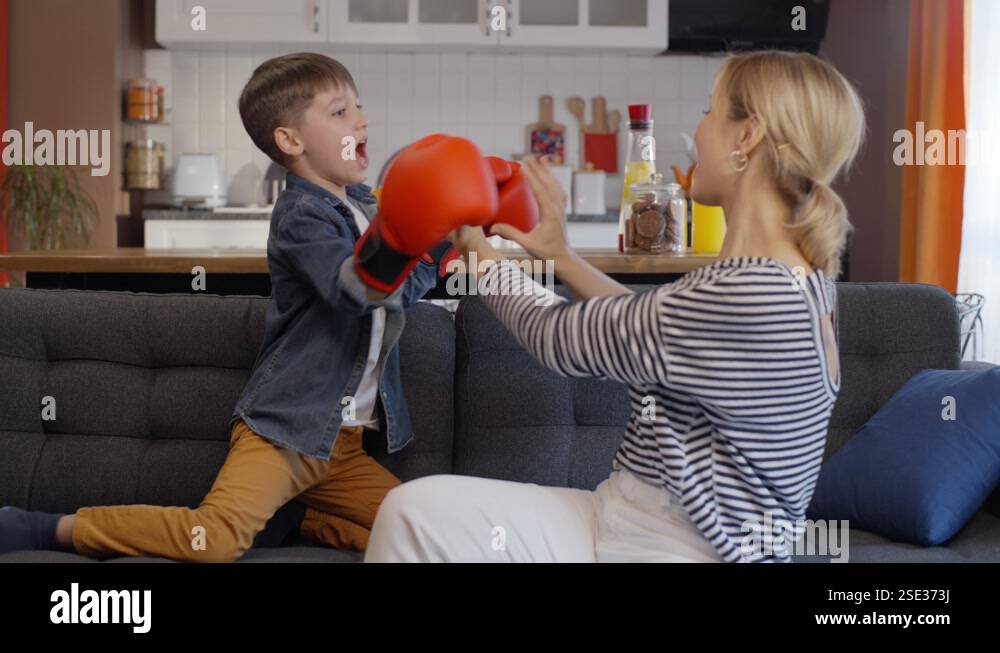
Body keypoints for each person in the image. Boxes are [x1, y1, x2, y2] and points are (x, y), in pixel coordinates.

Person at [364, 50, 865, 563]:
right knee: (413, 512)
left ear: (747, 136)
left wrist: (477, 252)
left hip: (674, 548)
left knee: (411, 515)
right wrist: (563, 258)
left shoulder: (748, 293)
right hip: (624, 516)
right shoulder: (794, 279)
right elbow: (656, 329)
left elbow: (557, 338)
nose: (698, 129)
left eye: (710, 111)